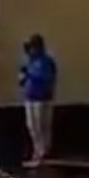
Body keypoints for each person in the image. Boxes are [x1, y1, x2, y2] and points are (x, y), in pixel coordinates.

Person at [20, 34, 58, 166]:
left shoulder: (45, 61)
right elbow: (23, 80)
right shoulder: (30, 62)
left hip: (42, 98)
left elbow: (46, 77)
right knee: (32, 125)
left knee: (41, 126)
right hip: (30, 97)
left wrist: (28, 74)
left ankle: (43, 152)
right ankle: (38, 151)